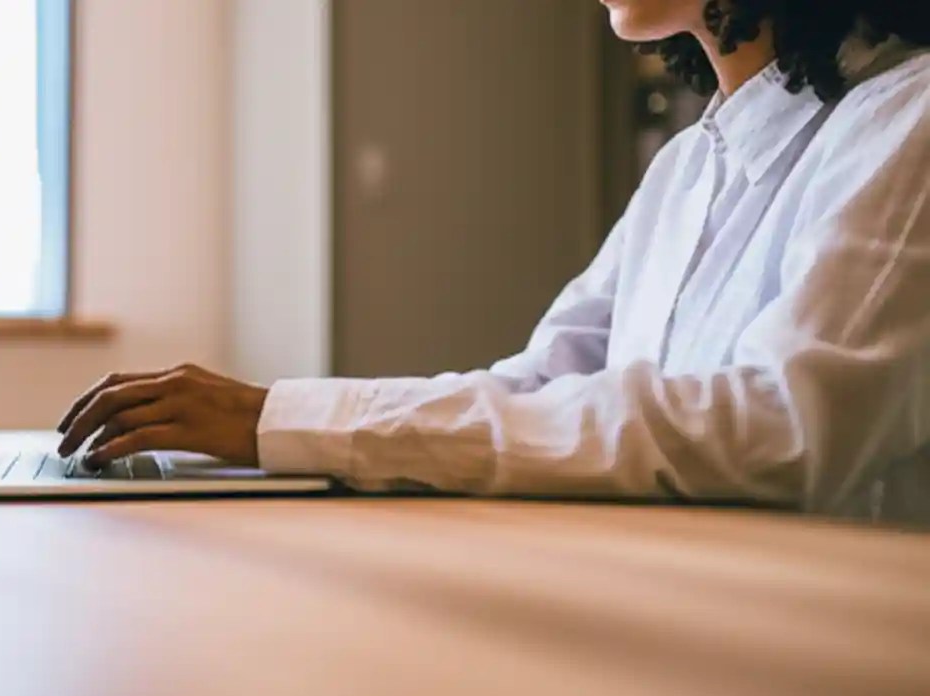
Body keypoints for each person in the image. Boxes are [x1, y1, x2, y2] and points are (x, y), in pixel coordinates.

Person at [56, 0, 930, 523]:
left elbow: (777, 428)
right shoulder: (687, 166)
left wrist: (287, 420)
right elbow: (542, 385)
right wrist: (276, 426)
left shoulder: (909, 122)